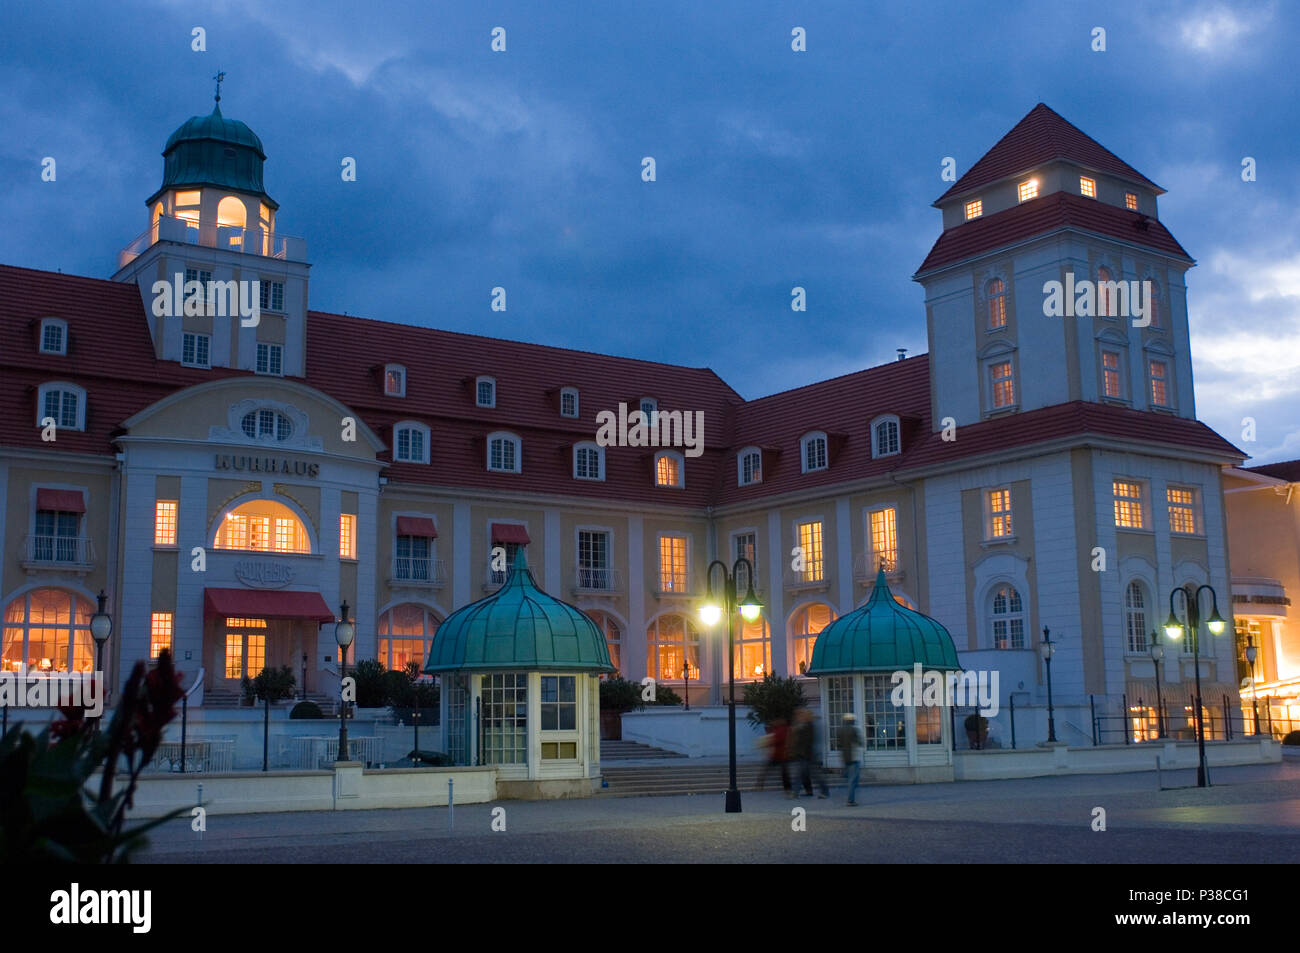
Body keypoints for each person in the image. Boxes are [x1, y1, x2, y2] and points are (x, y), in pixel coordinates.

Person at [792, 707, 829, 798]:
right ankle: (798, 792)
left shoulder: (809, 726)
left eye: (800, 715)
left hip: (807, 755)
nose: (798, 717)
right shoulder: (803, 725)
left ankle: (824, 791)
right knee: (804, 774)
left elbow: (807, 741)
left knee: (810, 775)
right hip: (804, 754)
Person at [756, 717, 791, 794]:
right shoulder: (779, 729)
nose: (773, 722)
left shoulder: (782, 729)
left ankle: (759, 785)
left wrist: (768, 741)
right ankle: (787, 789)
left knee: (782, 773)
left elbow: (776, 739)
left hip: (781, 755)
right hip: (778, 755)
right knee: (783, 773)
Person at [837, 712, 862, 805]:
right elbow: (859, 742)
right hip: (853, 756)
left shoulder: (840, 730)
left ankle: (845, 775)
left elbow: (838, 744)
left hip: (844, 756)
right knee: (853, 778)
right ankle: (850, 800)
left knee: (850, 776)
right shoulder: (854, 729)